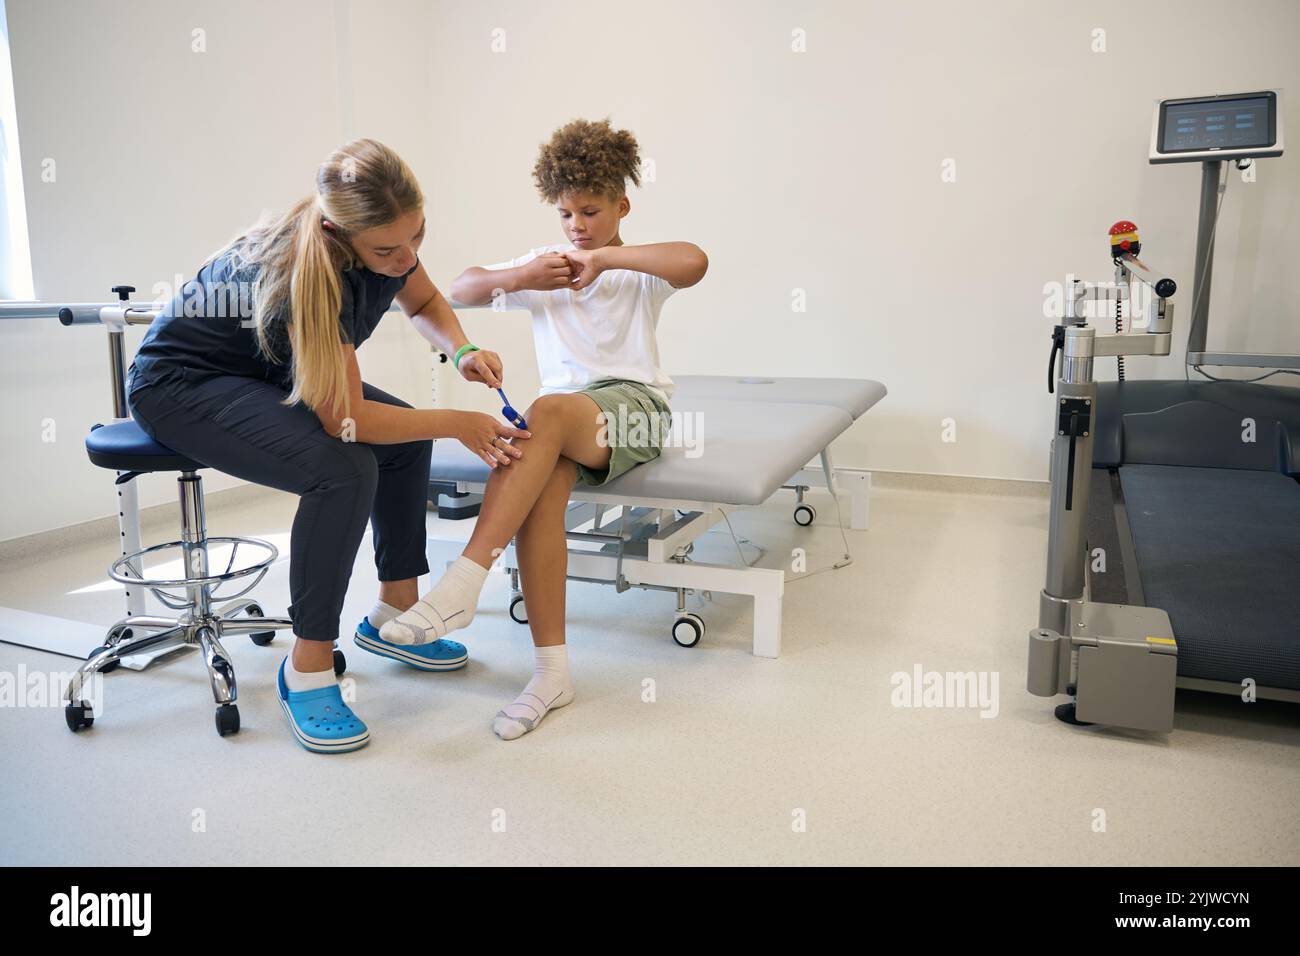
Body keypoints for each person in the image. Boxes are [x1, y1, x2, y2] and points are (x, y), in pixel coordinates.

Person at [125, 139, 529, 753]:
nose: (405, 258)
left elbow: (420, 297)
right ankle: (307, 667)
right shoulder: (310, 274)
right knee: (343, 470)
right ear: (341, 235)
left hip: (263, 370)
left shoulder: (388, 245)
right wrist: (456, 422)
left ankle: (394, 617)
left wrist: (462, 349)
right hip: (181, 386)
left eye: (417, 238)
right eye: (387, 250)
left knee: (405, 440)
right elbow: (347, 421)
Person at [374, 118, 708, 740]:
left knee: (545, 410)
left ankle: (463, 583)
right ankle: (551, 673)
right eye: (566, 214)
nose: (577, 226)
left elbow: (694, 262)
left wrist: (603, 259)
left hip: (635, 409)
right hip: (569, 423)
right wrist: (520, 278)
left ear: (621, 207)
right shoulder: (544, 268)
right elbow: (460, 287)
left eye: (591, 211)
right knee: (540, 494)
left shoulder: (634, 270)